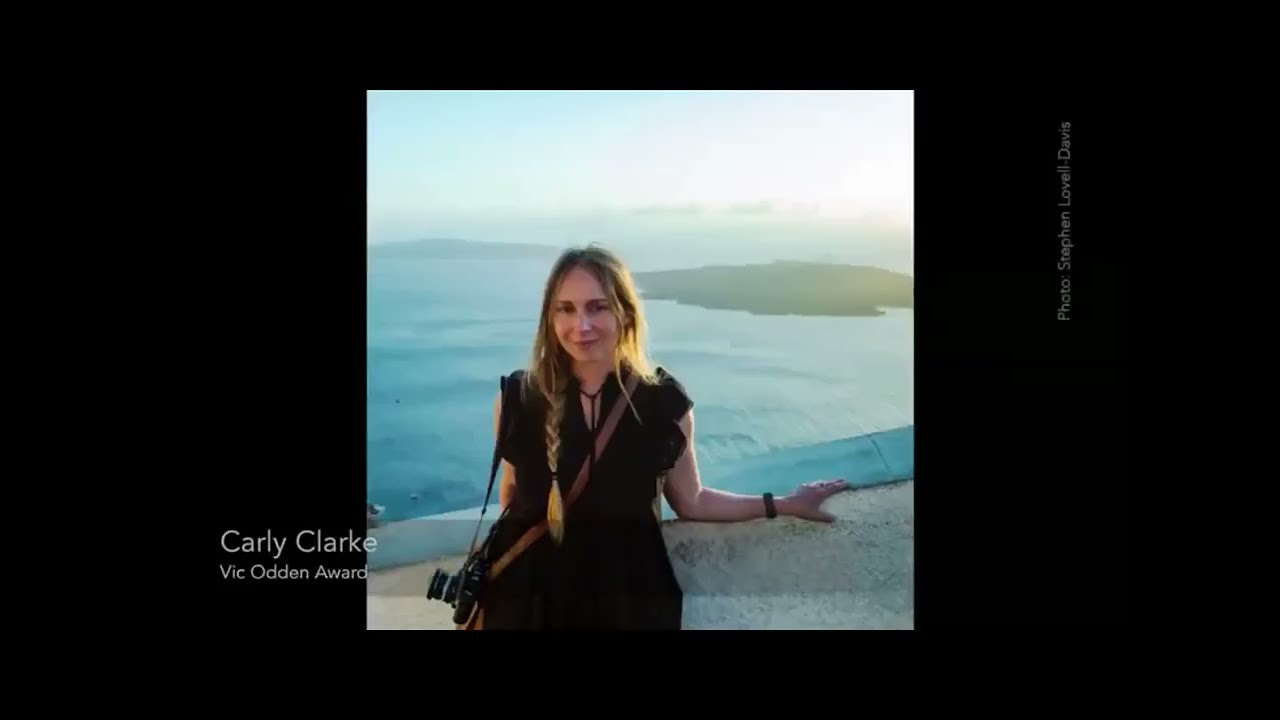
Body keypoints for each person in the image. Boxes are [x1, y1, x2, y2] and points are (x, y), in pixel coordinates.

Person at [475, 245, 849, 630]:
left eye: (598, 307)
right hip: (528, 608)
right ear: (549, 318)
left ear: (625, 312)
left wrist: (784, 503)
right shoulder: (519, 398)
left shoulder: (661, 403)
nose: (581, 325)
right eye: (565, 309)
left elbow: (693, 501)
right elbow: (512, 498)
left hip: (627, 607)